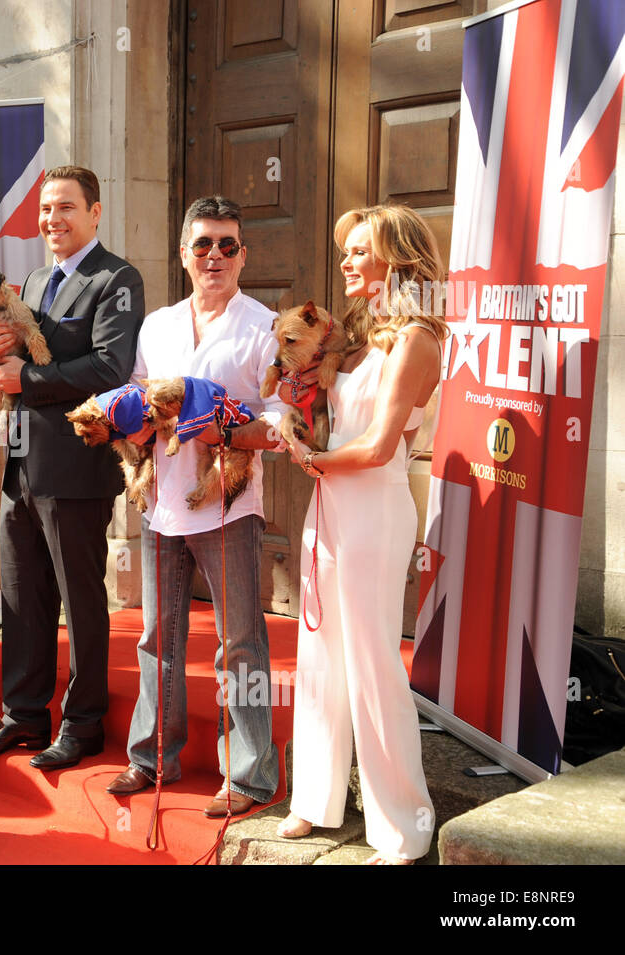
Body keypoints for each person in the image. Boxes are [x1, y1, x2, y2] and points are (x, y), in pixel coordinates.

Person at [102, 197, 284, 815]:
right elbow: (134, 397)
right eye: (203, 244)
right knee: (158, 636)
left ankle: (252, 774)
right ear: (183, 253)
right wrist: (127, 419)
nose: (215, 256)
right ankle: (152, 757)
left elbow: (280, 424)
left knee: (239, 642)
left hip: (229, 508)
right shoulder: (157, 325)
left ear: (243, 255)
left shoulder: (266, 325)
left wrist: (221, 429)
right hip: (160, 505)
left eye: (227, 245)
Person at [276, 204, 443, 864]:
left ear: (396, 259)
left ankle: (403, 826)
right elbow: (335, 425)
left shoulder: (417, 339)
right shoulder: (359, 331)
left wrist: (310, 459)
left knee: (374, 665)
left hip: (373, 506)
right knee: (319, 654)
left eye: (359, 250)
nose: (345, 260)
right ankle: (315, 802)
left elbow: (376, 449)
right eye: (345, 250)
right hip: (332, 500)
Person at [0, 166, 145, 769]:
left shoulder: (117, 278)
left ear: (95, 213)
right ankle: (24, 715)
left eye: (66, 207)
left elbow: (110, 369)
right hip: (18, 462)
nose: (52, 219)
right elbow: (13, 357)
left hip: (75, 466)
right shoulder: (36, 278)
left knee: (80, 600)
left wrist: (31, 378)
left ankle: (85, 723)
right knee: (22, 596)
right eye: (45, 209)